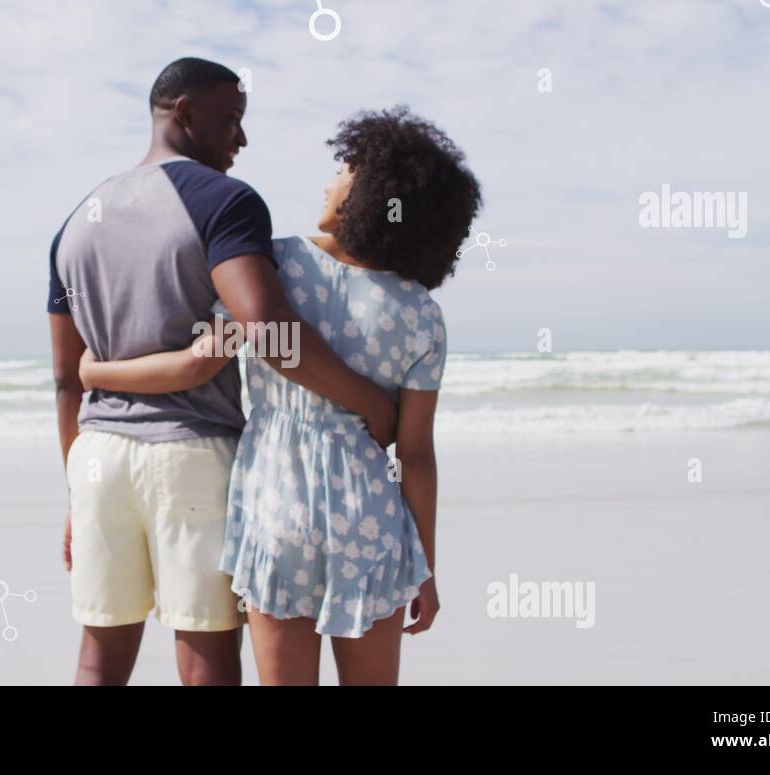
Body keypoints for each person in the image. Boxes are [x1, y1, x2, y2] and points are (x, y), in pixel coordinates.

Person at [79, 105, 482, 684]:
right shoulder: (421, 313)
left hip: (276, 509)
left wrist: (98, 373)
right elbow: (414, 454)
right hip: (369, 525)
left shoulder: (273, 264)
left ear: (370, 191)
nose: (330, 178)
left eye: (344, 169)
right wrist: (428, 569)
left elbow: (198, 362)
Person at [47, 58, 397, 686]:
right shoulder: (225, 201)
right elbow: (267, 328)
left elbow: (69, 380)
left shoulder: (76, 220)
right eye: (231, 120)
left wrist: (77, 486)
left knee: (97, 660)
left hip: (96, 457)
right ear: (183, 112)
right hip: (191, 455)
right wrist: (369, 400)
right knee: (207, 658)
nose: (241, 139)